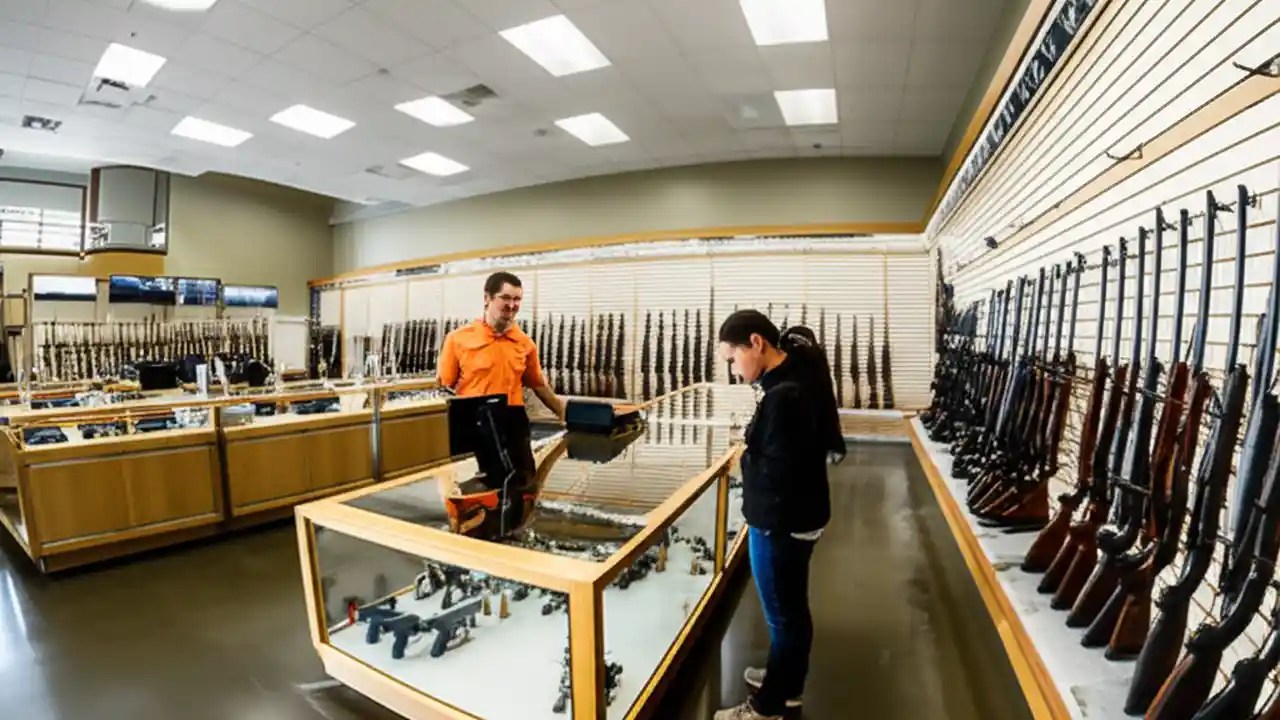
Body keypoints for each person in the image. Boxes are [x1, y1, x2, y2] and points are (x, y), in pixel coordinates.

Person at [714, 309, 837, 720]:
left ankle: (767, 708)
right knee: (791, 613)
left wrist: (745, 459)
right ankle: (784, 683)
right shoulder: (794, 381)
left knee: (784, 618)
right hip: (800, 516)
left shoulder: (785, 397)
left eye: (733, 357)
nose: (734, 369)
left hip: (781, 523)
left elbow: (776, 471)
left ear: (756, 343)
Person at [437, 270, 565, 500]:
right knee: (484, 485)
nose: (512, 305)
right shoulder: (457, 339)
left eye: (517, 299)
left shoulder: (525, 343)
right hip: (473, 421)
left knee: (524, 483)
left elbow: (539, 386)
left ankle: (515, 531)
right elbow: (444, 388)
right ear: (487, 298)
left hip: (513, 422)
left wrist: (565, 414)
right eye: (505, 298)